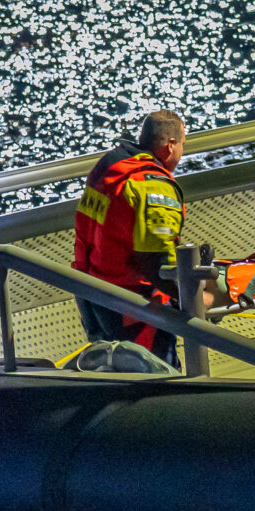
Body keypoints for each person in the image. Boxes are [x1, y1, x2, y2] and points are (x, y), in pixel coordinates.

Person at [71, 109, 187, 365]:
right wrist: (191, 298)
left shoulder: (109, 166)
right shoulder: (153, 186)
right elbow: (157, 266)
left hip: (92, 292)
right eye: (182, 145)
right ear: (169, 146)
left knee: (110, 370)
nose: (181, 153)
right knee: (156, 378)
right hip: (133, 307)